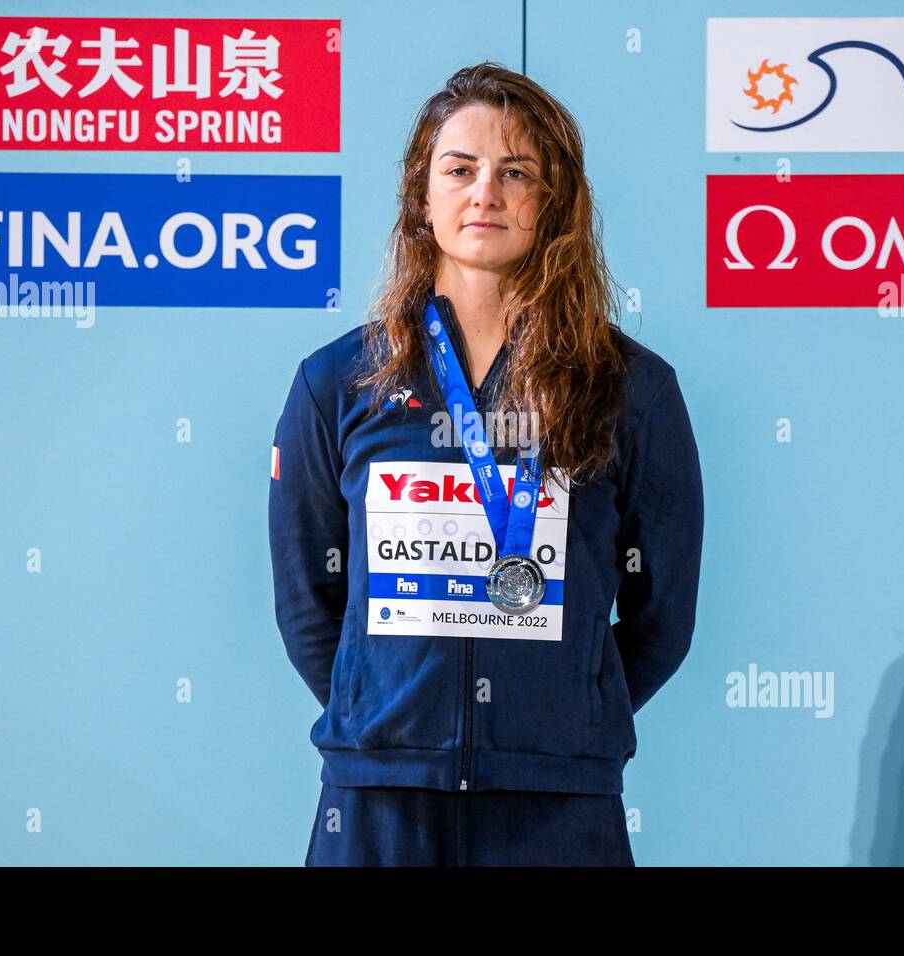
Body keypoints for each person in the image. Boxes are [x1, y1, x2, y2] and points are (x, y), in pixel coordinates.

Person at [269, 62, 704, 866]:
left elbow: (662, 617)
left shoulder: (631, 388)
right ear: (420, 196)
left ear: (555, 201)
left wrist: (565, 715)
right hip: (378, 799)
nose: (486, 194)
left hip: (559, 801)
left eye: (516, 173)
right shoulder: (337, 384)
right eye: (460, 170)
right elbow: (307, 602)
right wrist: (387, 712)